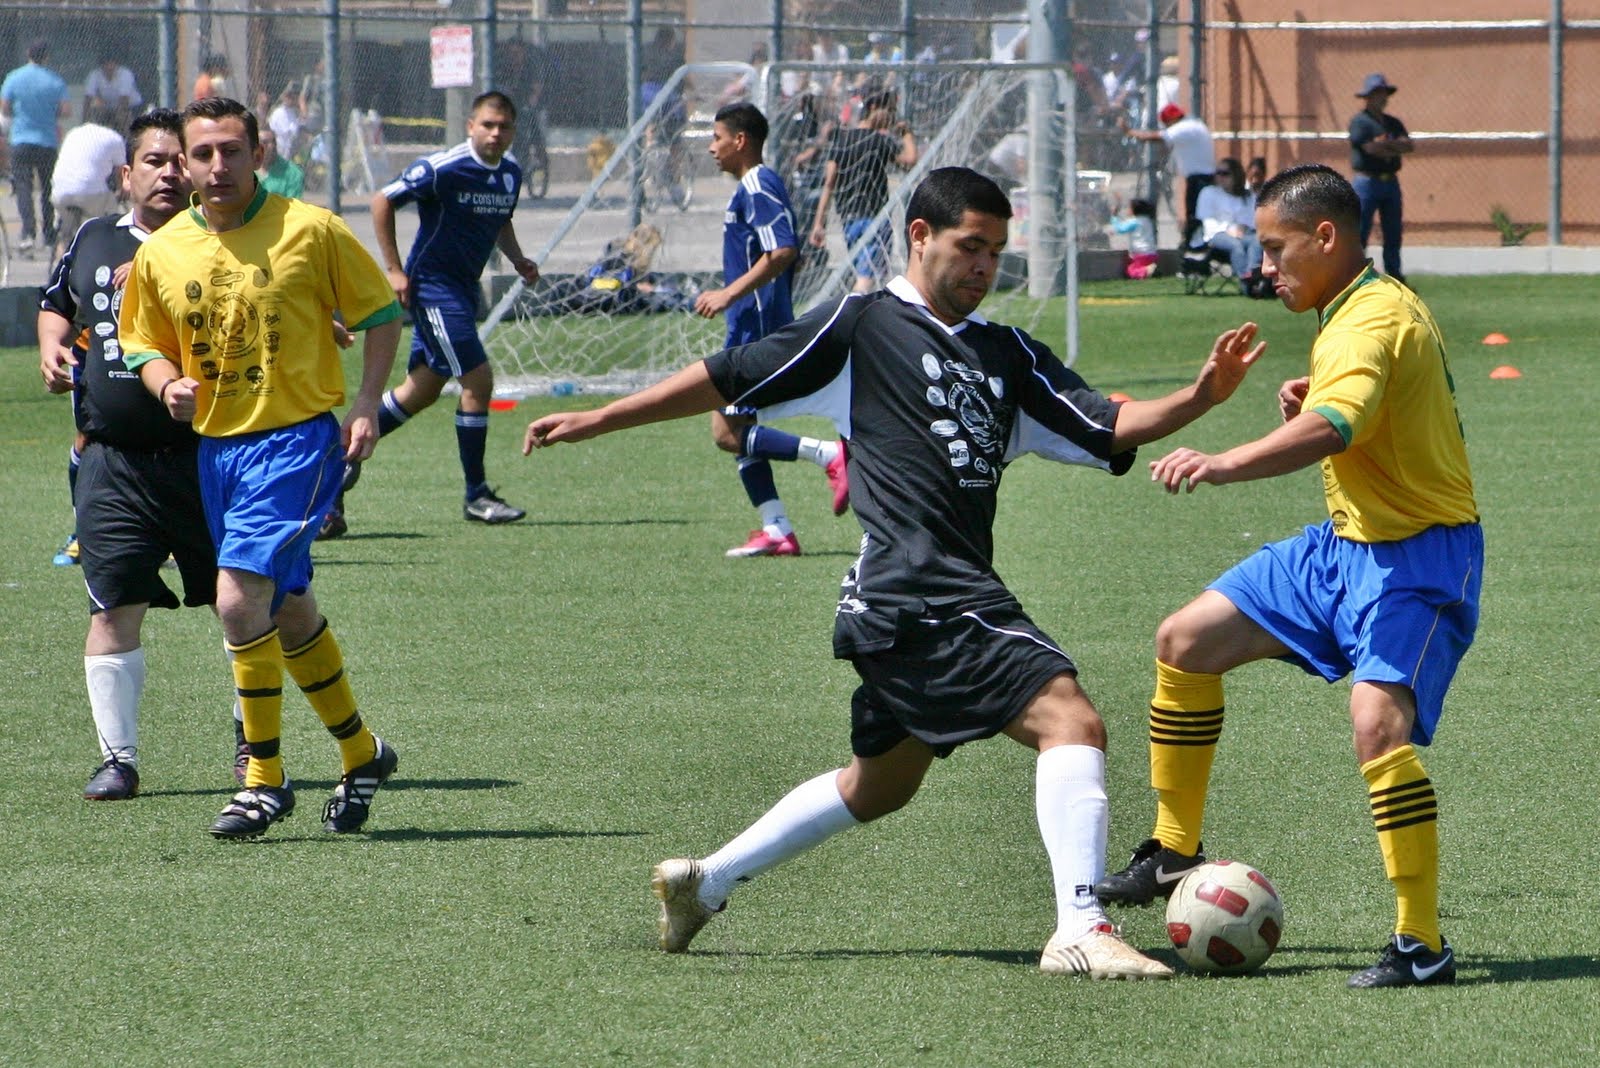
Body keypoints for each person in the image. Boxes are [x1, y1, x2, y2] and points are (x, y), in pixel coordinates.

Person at [523, 166, 1265, 977]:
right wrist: (598, 418)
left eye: (996, 253)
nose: (984, 267)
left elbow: (1110, 425)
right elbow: (729, 374)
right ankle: (1081, 928)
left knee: (878, 786)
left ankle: (706, 881)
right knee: (1071, 720)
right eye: (969, 247)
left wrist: (1200, 397)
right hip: (919, 590)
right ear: (919, 237)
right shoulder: (863, 327)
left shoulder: (1008, 355)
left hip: (920, 601)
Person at [1095, 163, 1480, 990]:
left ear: (1327, 237)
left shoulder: (1367, 320)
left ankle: (1421, 945)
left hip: (1415, 557)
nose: (1265, 265)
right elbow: (1354, 411)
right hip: (1343, 544)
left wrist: (1226, 461)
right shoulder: (1353, 306)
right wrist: (1316, 405)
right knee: (1186, 640)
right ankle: (1173, 852)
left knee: (1379, 723)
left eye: (1276, 248)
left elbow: (1336, 428)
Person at [117, 96, 405, 839]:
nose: (217, 167)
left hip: (297, 445)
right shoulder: (162, 252)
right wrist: (165, 383)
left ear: (258, 155)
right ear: (183, 161)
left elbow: (379, 314)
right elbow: (142, 342)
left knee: (239, 599)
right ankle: (361, 751)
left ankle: (264, 779)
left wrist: (368, 402)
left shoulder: (310, 229)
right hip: (219, 452)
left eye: (232, 152)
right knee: (287, 609)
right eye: (202, 154)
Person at [38, 108, 250, 800]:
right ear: (126, 175)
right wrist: (50, 344)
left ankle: (255, 744)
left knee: (242, 603)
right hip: (115, 462)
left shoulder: (219, 244)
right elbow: (55, 304)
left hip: (209, 457)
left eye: (175, 160)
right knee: (112, 607)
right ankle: (117, 760)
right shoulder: (94, 238)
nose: (166, 172)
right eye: (151, 161)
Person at [352, 90, 540, 536]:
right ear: (471, 126)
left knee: (421, 391)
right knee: (478, 380)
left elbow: (500, 221)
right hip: (433, 290)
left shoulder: (510, 173)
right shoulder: (444, 166)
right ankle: (476, 495)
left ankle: (335, 460)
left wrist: (517, 260)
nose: (496, 134)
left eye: (504, 127)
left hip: (462, 292)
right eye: (488, 125)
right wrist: (394, 270)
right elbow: (382, 201)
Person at [694, 102, 847, 558]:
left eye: (717, 137)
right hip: (750, 324)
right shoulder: (751, 185)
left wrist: (729, 294)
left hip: (756, 328)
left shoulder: (759, 182)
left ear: (739, 140)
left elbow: (782, 250)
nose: (711, 147)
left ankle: (830, 456)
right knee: (737, 426)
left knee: (726, 431)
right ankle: (777, 529)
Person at [809, 90, 918, 294]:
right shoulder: (878, 140)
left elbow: (829, 182)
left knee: (867, 275)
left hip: (848, 221)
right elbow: (910, 161)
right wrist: (907, 134)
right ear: (874, 109)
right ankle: (851, 317)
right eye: (890, 112)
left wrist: (818, 222)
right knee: (866, 279)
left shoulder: (842, 140)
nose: (892, 118)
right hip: (875, 219)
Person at [1, 39, 71, 254]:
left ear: (28, 54)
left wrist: (21, 114)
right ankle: (49, 233)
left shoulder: (14, 77)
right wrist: (49, 114)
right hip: (47, 140)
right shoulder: (55, 81)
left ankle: (28, 233)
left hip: (21, 139)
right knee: (48, 188)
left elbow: (5, 107)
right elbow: (66, 111)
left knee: (23, 187)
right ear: (46, 56)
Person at [1349, 73, 1413, 284]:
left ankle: (1395, 276)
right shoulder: (1360, 122)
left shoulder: (1392, 122)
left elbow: (1408, 145)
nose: (1382, 98)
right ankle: (1356, 276)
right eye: (1377, 94)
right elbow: (1369, 149)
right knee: (1360, 231)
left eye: (1384, 94)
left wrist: (1385, 144)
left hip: (1390, 183)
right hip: (1367, 183)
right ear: (1367, 97)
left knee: (1393, 232)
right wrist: (1391, 146)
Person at [1122, 103, 1214, 237]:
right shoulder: (1195, 124)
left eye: (1166, 123)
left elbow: (1154, 137)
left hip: (1199, 179)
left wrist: (1129, 132)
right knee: (1199, 213)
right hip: (1204, 177)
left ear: (1173, 119)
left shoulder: (1183, 128)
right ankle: (1197, 241)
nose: (1166, 126)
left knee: (1194, 214)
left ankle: (1194, 244)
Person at [49, 104, 128, 259]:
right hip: (91, 194)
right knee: (109, 221)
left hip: (60, 193)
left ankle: (60, 266)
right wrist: (121, 191)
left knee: (65, 234)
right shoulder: (114, 137)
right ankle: (106, 257)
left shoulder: (74, 132)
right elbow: (121, 173)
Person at [1191, 157, 1264, 296]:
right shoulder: (1209, 193)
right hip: (1216, 235)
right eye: (1218, 173)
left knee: (1257, 241)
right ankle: (1246, 283)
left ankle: (1253, 276)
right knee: (1236, 246)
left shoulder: (1248, 196)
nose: (1220, 177)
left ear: (1236, 175)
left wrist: (1242, 227)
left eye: (1225, 173)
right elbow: (1207, 220)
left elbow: (1252, 218)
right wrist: (1227, 230)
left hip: (1244, 233)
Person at [83, 49, 142, 128]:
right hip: (108, 107)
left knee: (122, 116)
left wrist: (119, 113)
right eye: (106, 63)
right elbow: (88, 98)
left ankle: (128, 139)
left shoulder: (125, 74)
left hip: (131, 107)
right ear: (102, 65)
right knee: (95, 107)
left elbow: (124, 99)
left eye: (112, 63)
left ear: (116, 64)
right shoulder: (95, 74)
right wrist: (85, 120)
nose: (109, 66)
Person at [1112, 197, 1158, 279]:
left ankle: (1147, 270)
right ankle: (1150, 270)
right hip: (1152, 253)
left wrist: (1114, 216)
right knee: (1136, 266)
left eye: (1129, 208)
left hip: (1141, 254)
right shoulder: (1147, 220)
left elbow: (1120, 229)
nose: (1127, 210)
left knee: (1130, 270)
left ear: (1134, 210)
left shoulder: (1134, 222)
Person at [256, 126, 304, 199]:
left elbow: (294, 205)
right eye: (265, 142)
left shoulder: (293, 173)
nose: (271, 146)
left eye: (273, 142)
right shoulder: (246, 170)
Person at [266, 85, 304, 161]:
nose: (291, 99)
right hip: (281, 145)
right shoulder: (278, 112)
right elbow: (285, 131)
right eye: (288, 96)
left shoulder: (294, 111)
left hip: (293, 147)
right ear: (283, 97)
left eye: (293, 96)